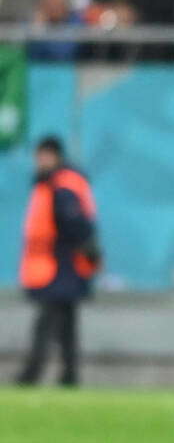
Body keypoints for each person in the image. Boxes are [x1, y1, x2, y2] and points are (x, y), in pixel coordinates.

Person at [17, 137, 100, 386]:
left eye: (44, 156)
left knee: (49, 321)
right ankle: (68, 375)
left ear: (55, 156)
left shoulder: (61, 184)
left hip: (61, 263)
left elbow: (72, 221)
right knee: (64, 323)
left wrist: (84, 245)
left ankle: (34, 373)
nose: (40, 161)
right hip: (57, 263)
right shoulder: (52, 182)